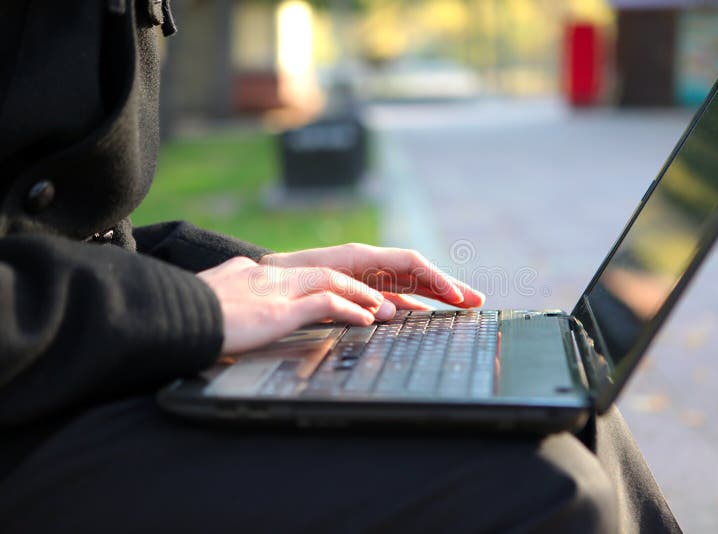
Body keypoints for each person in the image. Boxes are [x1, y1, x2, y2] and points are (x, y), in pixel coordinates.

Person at [0, 2, 681, 532]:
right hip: (34, 412)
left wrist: (265, 272)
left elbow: (68, 233)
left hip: (96, 349)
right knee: (550, 486)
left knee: (564, 394)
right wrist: (188, 311)